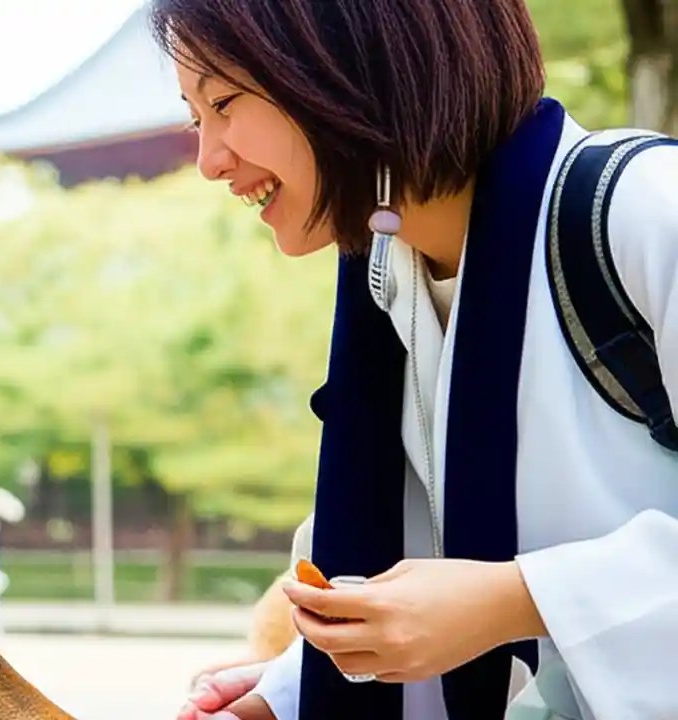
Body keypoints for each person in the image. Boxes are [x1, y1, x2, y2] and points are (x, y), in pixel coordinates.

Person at [149, 1, 678, 719]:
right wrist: (289, 690)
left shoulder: (647, 211)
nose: (210, 160)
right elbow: (420, 553)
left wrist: (514, 600)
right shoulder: (390, 277)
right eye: (194, 118)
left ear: (348, 65)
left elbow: (483, 598)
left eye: (224, 102)